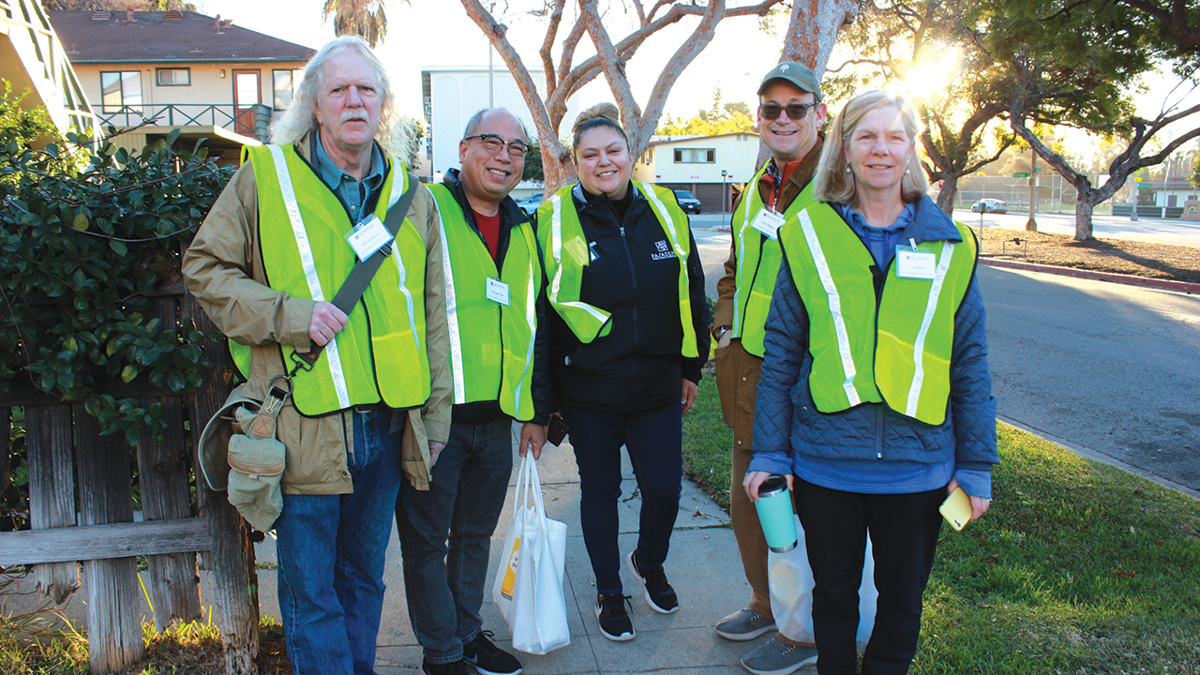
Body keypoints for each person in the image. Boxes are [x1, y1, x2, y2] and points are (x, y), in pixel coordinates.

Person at [182, 36, 451, 675]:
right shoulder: (263, 178)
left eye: (366, 89)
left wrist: (434, 419)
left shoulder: (415, 197)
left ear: (382, 105)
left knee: (363, 583)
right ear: (315, 105)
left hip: (388, 426)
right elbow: (204, 267)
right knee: (311, 594)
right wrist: (290, 314)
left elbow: (435, 319)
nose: (354, 100)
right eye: (339, 90)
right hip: (304, 425)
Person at [745, 89, 998, 675]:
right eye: (866, 136)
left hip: (919, 465)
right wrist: (770, 451)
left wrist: (977, 462)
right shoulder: (807, 235)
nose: (881, 149)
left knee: (902, 604)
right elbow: (782, 354)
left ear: (911, 150)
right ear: (846, 149)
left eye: (894, 136)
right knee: (832, 598)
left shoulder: (952, 245)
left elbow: (970, 362)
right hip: (827, 462)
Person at [533, 103, 710, 642]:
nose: (604, 162)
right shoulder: (553, 219)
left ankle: (648, 561)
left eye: (614, 151)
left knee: (664, 490)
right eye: (591, 154)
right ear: (574, 163)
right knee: (600, 493)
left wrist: (691, 367)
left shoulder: (665, 210)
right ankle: (610, 590)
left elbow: (692, 289)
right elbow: (540, 315)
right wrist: (547, 401)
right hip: (588, 390)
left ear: (631, 155)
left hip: (658, 385)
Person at [396, 108, 553, 675]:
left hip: (499, 421)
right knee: (426, 541)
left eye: (516, 148)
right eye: (492, 142)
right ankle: (441, 652)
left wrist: (535, 411)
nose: (505, 156)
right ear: (463, 148)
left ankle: (466, 633)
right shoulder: (425, 210)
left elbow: (537, 325)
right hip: (437, 418)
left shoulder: (524, 228)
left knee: (474, 537)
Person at [708, 61, 828, 674]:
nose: (782, 119)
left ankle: (803, 629)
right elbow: (734, 268)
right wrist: (725, 325)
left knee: (794, 506)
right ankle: (765, 600)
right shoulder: (759, 186)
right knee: (748, 500)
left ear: (819, 114)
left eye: (796, 108)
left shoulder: (838, 186)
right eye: (771, 109)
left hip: (804, 378)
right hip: (747, 368)